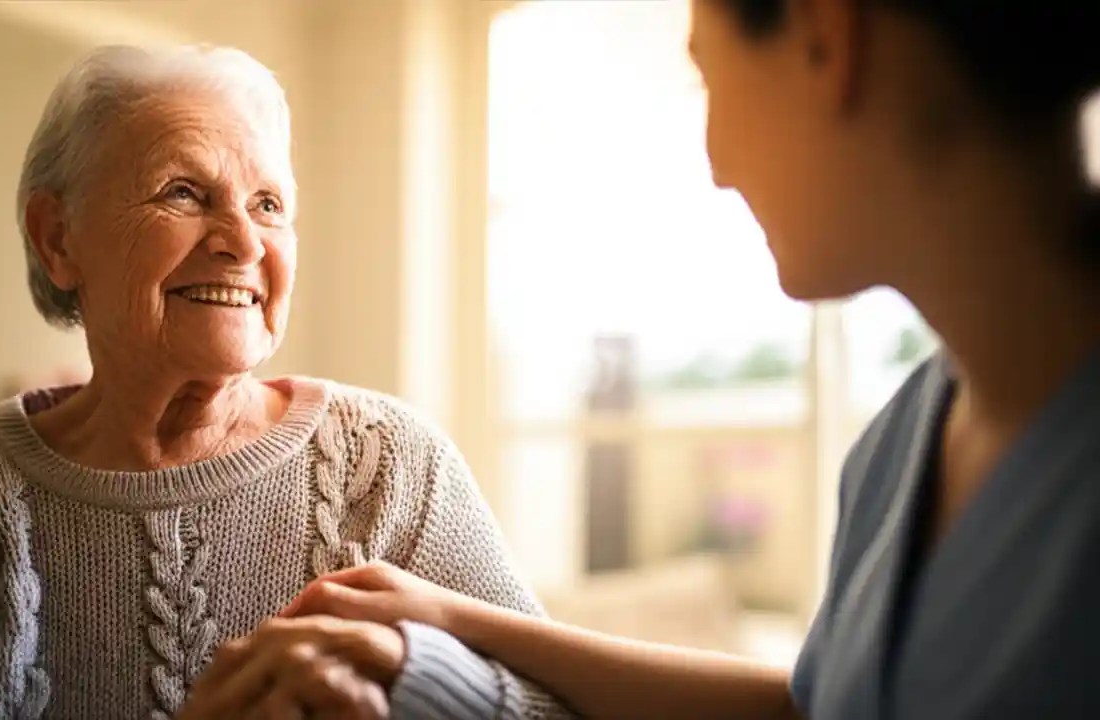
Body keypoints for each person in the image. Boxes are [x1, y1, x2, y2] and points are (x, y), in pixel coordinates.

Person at [239, 0, 1100, 718]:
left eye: (706, 77)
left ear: (824, 38)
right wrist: (453, 628)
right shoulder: (905, 442)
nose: (718, 164)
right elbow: (813, 708)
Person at [0, 45, 574, 719]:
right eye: (184, 192)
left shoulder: (392, 462)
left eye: (269, 204)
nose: (244, 242)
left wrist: (417, 682)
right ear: (58, 238)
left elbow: (562, 708)